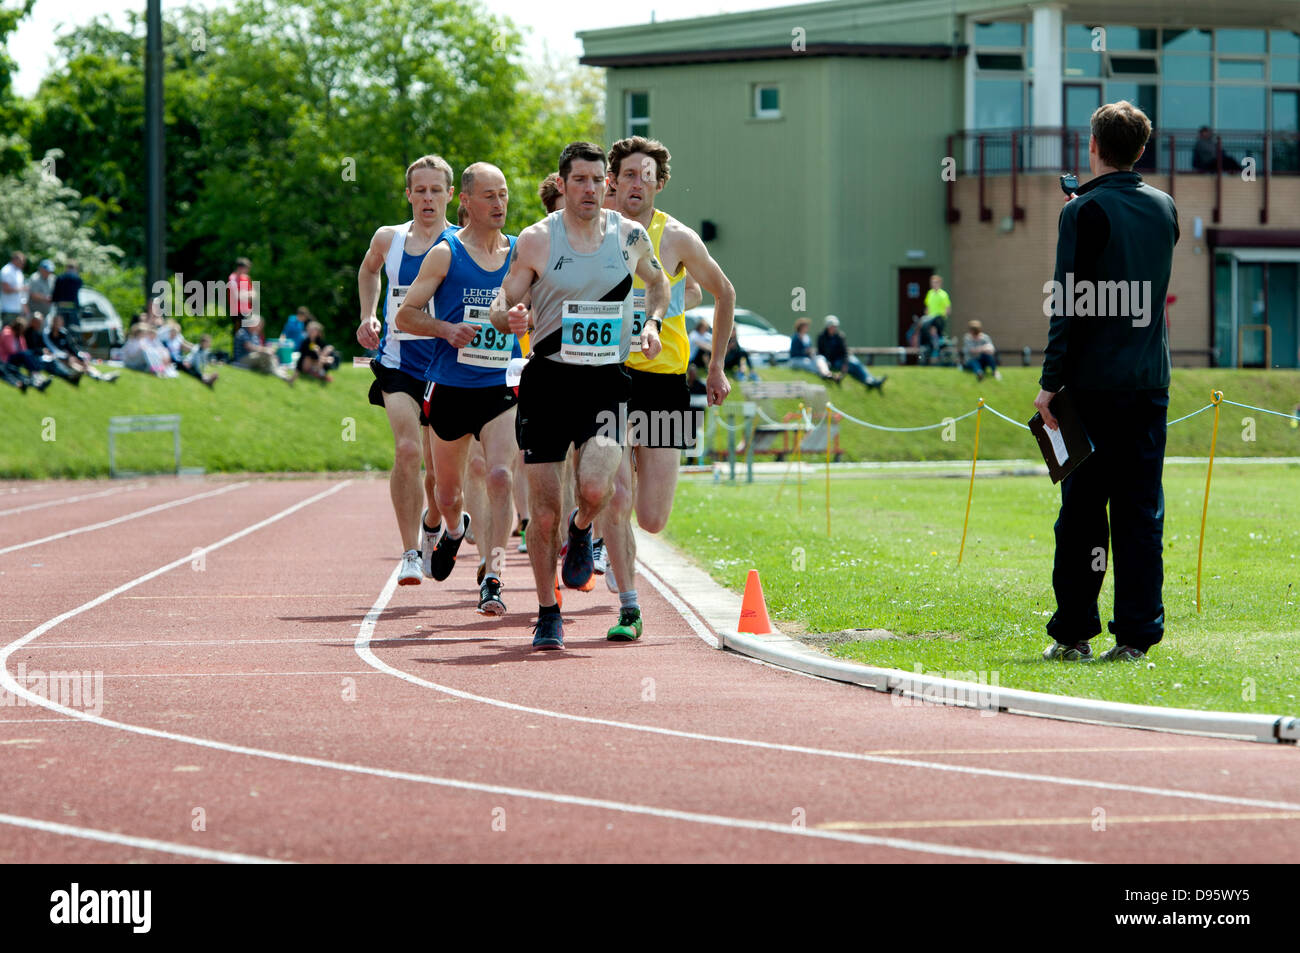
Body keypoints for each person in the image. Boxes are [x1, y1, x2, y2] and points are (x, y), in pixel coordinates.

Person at [489, 140, 670, 650]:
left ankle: (583, 526)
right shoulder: (537, 240)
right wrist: (511, 318)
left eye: (598, 181)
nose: (591, 190)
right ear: (563, 185)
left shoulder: (629, 236)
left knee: (596, 488)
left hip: (607, 383)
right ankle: (549, 612)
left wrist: (652, 323)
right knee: (542, 512)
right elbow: (503, 305)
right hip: (549, 382)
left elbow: (657, 286)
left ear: (605, 185)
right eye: (580, 181)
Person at [1035, 100, 1179, 663]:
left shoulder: (1082, 212)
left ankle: (1073, 632)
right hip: (1148, 383)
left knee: (1082, 512)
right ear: (1141, 149)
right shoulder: (1165, 206)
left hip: (1091, 387)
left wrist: (1050, 383)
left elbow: (1067, 304)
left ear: (1093, 147)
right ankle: (1136, 637)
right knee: (1140, 512)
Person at [598, 135, 734, 640]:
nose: (637, 184)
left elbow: (725, 293)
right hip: (608, 376)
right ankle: (628, 606)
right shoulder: (593, 231)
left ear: (660, 183)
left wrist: (716, 367)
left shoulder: (675, 238)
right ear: (613, 179)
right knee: (614, 491)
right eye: (628, 175)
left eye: (646, 177)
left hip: (666, 380)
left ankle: (613, 539)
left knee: (652, 517)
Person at [394, 162, 523, 615]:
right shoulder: (445, 252)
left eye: (503, 194)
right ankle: (452, 530)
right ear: (465, 201)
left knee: (501, 476)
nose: (499, 204)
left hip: (501, 385)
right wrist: (446, 330)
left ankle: (493, 576)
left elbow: (542, 305)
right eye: (489, 196)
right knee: (447, 494)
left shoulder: (520, 252)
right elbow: (404, 316)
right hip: (449, 385)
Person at [357, 154, 459, 585]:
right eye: (420, 190)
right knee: (406, 451)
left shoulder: (463, 243)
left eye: (436, 190)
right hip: (398, 363)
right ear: (408, 195)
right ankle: (410, 552)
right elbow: (368, 269)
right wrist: (368, 315)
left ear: (451, 195)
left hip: (447, 368)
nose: (428, 198)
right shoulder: (389, 238)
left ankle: (433, 523)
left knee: (438, 475)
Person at [44, 310, 118, 382]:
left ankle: (100, 376)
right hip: (60, 357)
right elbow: (52, 348)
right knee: (72, 362)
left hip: (68, 356)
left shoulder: (63, 334)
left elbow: (71, 347)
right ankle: (83, 373)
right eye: (56, 322)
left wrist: (80, 358)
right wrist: (66, 356)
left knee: (82, 363)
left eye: (59, 322)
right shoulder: (48, 334)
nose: (57, 324)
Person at [816, 314, 885, 391]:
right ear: (828, 326)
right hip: (833, 362)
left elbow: (845, 351)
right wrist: (827, 363)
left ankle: (870, 380)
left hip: (842, 359)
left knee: (856, 363)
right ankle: (868, 381)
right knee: (852, 367)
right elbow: (820, 352)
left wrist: (845, 363)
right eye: (832, 326)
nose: (834, 328)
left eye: (835, 326)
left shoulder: (840, 336)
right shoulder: (821, 337)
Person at [233, 314, 295, 382]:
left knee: (271, 357)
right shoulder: (242, 332)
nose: (259, 327)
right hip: (241, 359)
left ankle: (282, 374)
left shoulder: (254, 335)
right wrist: (265, 350)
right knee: (265, 355)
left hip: (252, 357)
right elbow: (249, 347)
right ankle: (281, 373)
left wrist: (267, 350)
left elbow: (259, 348)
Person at [0, 317, 51, 391]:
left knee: (26, 356)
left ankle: (38, 383)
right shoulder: (7, 333)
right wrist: (21, 353)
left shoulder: (19, 336)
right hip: (6, 358)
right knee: (9, 371)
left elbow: (24, 349)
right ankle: (33, 375)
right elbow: (11, 350)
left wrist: (22, 352)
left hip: (12, 360)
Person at [913, 274, 951, 364]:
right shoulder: (930, 293)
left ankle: (938, 346)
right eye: (933, 283)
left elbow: (947, 309)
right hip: (930, 319)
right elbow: (927, 308)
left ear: (940, 283)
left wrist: (943, 318)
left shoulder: (943, 294)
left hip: (938, 319)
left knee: (934, 328)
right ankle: (922, 347)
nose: (934, 284)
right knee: (922, 325)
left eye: (936, 282)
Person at [50, 260, 82, 328]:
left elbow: (55, 293)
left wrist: (54, 301)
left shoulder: (60, 277)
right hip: (72, 306)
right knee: (74, 327)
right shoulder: (77, 279)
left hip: (61, 305)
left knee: (60, 326)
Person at [227, 257, 255, 334]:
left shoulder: (246, 278)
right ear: (240, 268)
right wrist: (246, 295)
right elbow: (236, 296)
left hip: (247, 310)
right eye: (247, 268)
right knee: (238, 333)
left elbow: (253, 295)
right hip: (237, 311)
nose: (248, 270)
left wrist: (242, 295)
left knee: (248, 333)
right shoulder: (232, 278)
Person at [1, 252, 27, 325]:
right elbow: (6, 289)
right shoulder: (6, 270)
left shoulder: (19, 272)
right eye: (21, 261)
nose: (23, 264)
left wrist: (24, 307)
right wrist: (21, 289)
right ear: (14, 260)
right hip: (8, 309)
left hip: (18, 309)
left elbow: (21, 294)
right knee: (7, 332)